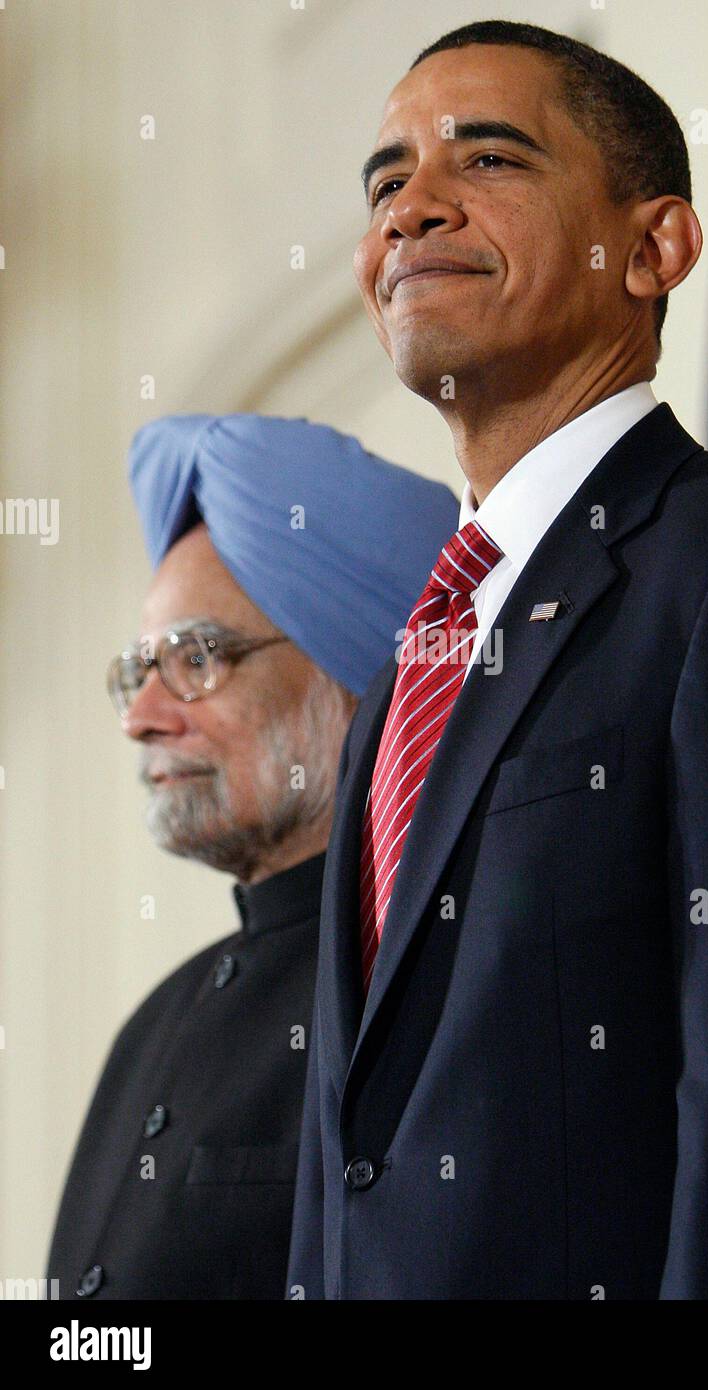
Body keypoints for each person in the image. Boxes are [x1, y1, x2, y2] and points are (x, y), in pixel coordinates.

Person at [287, 21, 708, 1300]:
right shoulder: (422, 652)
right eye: (384, 182)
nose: (411, 212)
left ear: (657, 245)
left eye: (489, 160)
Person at [46, 413, 458, 1300]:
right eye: (138, 668)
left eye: (198, 657)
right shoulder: (154, 1022)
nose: (141, 716)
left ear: (353, 685)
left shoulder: (441, 989)